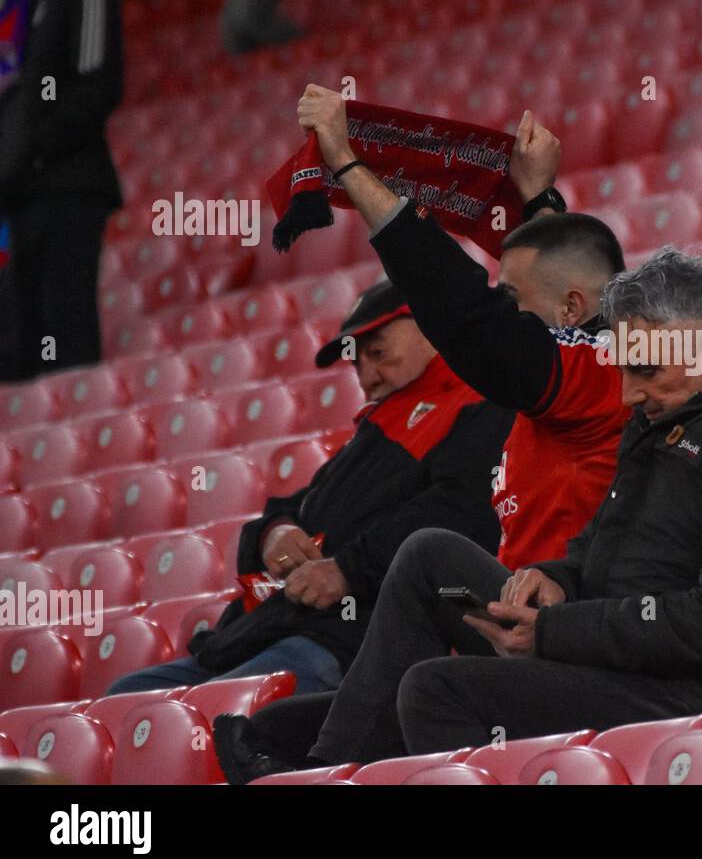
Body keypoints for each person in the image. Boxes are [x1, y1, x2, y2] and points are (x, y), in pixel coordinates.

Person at [216, 248, 702, 781]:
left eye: (642, 372)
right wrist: (557, 580)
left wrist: (554, 633)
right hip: (615, 650)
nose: (629, 394)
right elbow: (595, 554)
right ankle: (335, 766)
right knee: (428, 559)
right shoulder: (668, 415)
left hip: (695, 689)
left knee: (433, 691)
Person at [105, 279, 514, 696]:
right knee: (123, 699)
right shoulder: (376, 425)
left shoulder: (480, 402)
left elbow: (460, 512)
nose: (366, 376)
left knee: (215, 713)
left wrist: (346, 570)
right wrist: (274, 536)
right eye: (357, 364)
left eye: (378, 352)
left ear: (431, 326)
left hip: (343, 641)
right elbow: (295, 508)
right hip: (260, 632)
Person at [0, 0, 122, 381]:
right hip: (15, 195)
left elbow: (98, 84)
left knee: (64, 340)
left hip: (67, 187)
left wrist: (32, 149)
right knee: (18, 349)